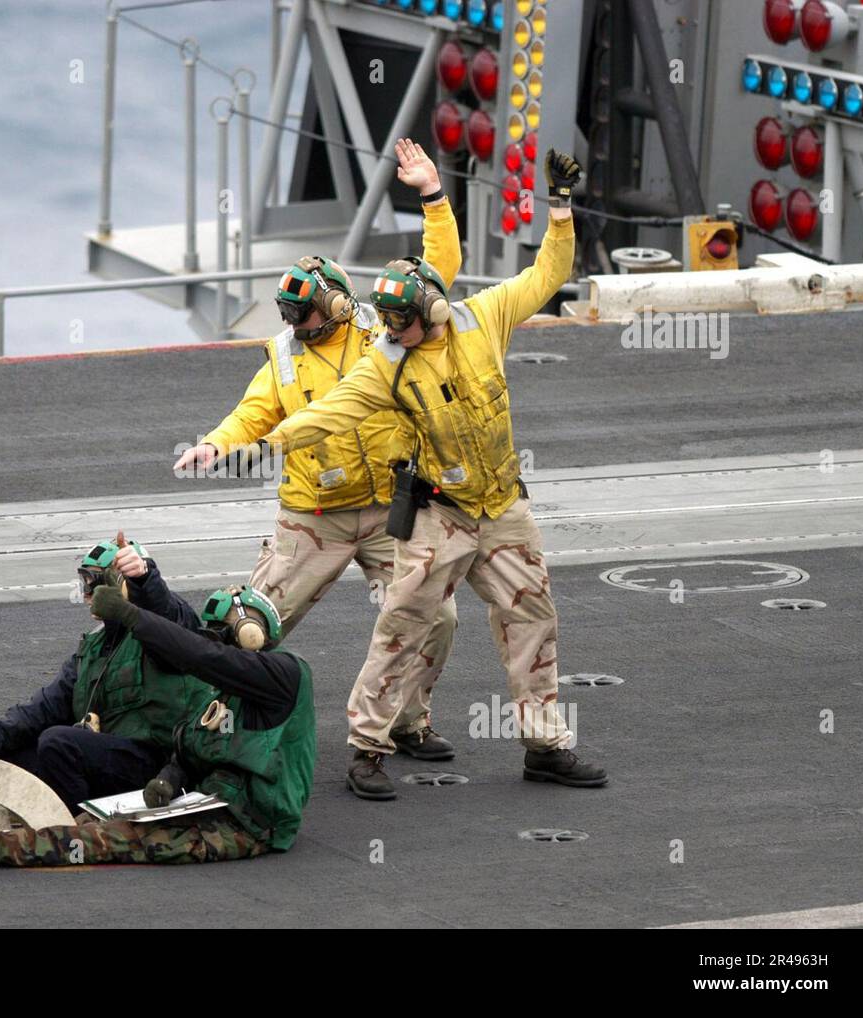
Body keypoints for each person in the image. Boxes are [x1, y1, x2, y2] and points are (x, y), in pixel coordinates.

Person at [245, 149, 607, 795]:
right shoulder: (388, 361)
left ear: (434, 310)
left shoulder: (485, 317)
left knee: (532, 618)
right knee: (405, 622)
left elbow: (551, 271)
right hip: (441, 513)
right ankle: (367, 747)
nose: (389, 332)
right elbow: (331, 412)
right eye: (384, 322)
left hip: (501, 508)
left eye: (400, 321)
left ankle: (544, 745)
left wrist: (560, 206)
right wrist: (271, 440)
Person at [172, 140, 462, 798]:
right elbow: (251, 414)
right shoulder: (282, 357)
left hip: (390, 510)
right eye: (288, 316)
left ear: (334, 301)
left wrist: (432, 198)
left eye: (303, 314)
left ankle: (405, 724)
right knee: (250, 627)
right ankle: (202, 735)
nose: (295, 326)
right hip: (313, 518)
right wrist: (218, 444)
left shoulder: (378, 331)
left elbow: (438, 270)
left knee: (436, 617)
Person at [0, 583, 316, 866]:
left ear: (252, 635)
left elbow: (202, 656)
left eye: (223, 634)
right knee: (89, 817)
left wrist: (133, 616)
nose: (216, 641)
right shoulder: (225, 696)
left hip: (251, 823)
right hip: (207, 803)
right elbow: (189, 743)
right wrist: (169, 776)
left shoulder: (286, 675)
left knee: (115, 840)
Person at [0, 534, 215, 813]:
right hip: (107, 756)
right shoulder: (94, 647)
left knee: (57, 743)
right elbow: (44, 707)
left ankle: (78, 832)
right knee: (14, 754)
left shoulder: (160, 635)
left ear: (120, 586)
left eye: (92, 584)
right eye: (83, 584)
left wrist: (142, 579)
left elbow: (171, 618)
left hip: (155, 764)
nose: (86, 596)